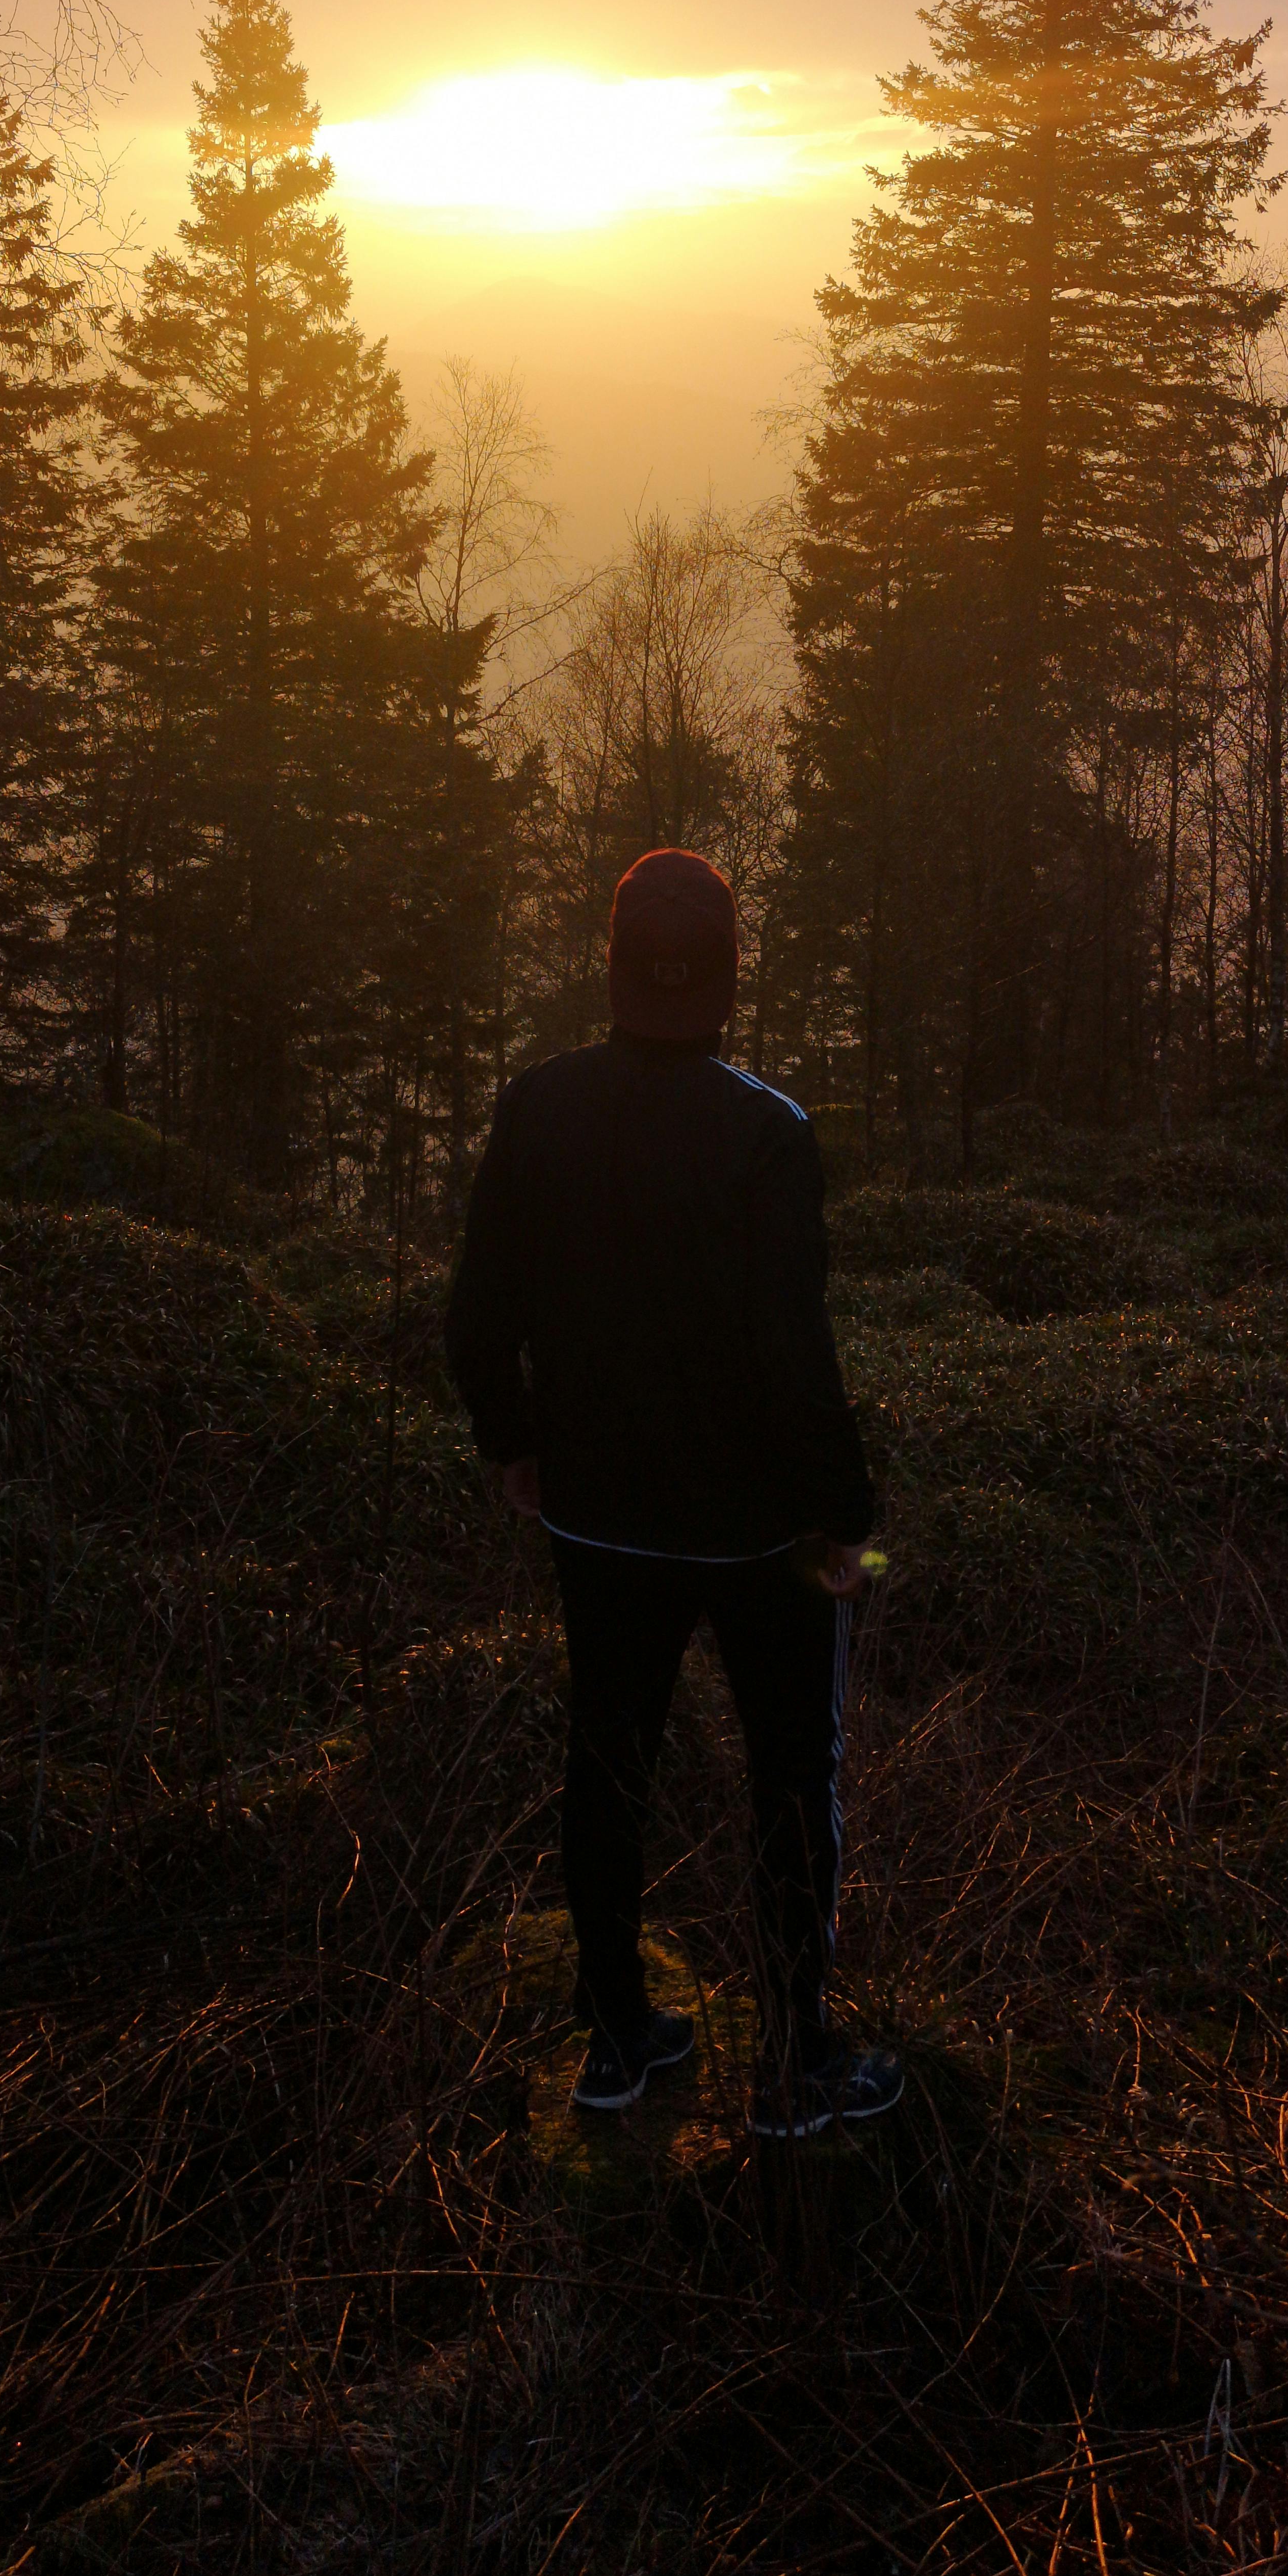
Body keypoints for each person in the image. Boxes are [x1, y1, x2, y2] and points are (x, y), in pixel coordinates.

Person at [447, 846, 903, 2139]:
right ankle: (799, 2066)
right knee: (790, 1776)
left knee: (608, 1765)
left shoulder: (537, 1109)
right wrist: (849, 1529)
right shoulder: (768, 1132)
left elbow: (478, 1318)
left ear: (611, 967)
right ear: (727, 979)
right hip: (766, 1537)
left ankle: (617, 2048)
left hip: (596, 1516)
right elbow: (793, 1359)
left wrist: (516, 1444)